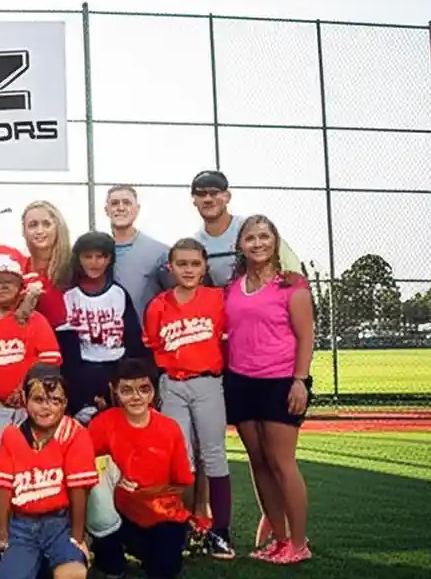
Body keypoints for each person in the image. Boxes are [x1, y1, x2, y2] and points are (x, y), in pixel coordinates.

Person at [224, 215, 314, 564]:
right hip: (241, 381)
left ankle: (299, 542)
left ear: (275, 241)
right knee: (258, 461)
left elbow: (306, 336)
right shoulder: (233, 286)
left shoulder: (292, 284)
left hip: (280, 381)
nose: (258, 243)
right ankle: (279, 538)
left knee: (282, 462)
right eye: (251, 237)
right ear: (241, 245)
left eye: (265, 236)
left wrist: (300, 381)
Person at [143, 238, 235, 559]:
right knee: (179, 458)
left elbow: (226, 339)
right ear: (170, 267)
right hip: (173, 384)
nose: (189, 269)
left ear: (205, 267)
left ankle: (220, 531)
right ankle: (180, 528)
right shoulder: (158, 305)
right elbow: (154, 348)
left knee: (214, 455)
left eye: (195, 264)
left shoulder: (216, 299)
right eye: (182, 264)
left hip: (208, 381)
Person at [88, 358, 195, 579]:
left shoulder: (170, 428)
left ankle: (159, 549)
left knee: (164, 568)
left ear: (154, 391)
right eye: (127, 390)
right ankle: (112, 563)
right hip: (119, 512)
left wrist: (149, 497)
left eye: (144, 389)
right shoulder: (102, 424)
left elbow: (182, 482)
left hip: (161, 514)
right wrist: (114, 482)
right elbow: (85, 472)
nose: (136, 397)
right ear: (115, 391)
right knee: (96, 490)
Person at [0, 363, 96, 579]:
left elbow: (78, 489)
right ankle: (20, 558)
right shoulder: (12, 435)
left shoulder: (74, 433)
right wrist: (3, 534)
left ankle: (58, 557)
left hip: (59, 523)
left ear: (65, 403)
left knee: (73, 573)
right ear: (24, 400)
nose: (46, 407)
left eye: (55, 401)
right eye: (38, 400)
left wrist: (77, 537)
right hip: (21, 525)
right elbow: (4, 488)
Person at [0, 254, 63, 464]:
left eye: (9, 281)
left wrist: (26, 389)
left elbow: (51, 361)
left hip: (31, 405)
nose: (2, 286)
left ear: (20, 285)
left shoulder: (35, 319)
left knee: (35, 460)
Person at [58, 231, 148, 421]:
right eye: (88, 256)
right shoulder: (69, 297)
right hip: (83, 375)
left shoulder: (119, 294)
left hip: (117, 370)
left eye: (100, 256)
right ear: (78, 259)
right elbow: (66, 350)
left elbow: (133, 341)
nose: (94, 262)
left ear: (109, 259)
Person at [190, 170, 303, 285]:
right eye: (201, 194)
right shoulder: (195, 244)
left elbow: (290, 265)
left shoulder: (252, 228)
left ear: (227, 197)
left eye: (214, 193)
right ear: (194, 200)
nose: (208, 199)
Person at [104, 185, 172, 319]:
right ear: (106, 210)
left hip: (145, 336)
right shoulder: (95, 254)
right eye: (114, 203)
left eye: (127, 203)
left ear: (137, 209)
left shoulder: (159, 253)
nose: (121, 207)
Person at [19, 200, 71, 328]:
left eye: (46, 224)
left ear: (58, 227)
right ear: (24, 231)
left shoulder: (73, 266)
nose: (39, 231)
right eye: (33, 225)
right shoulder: (19, 270)